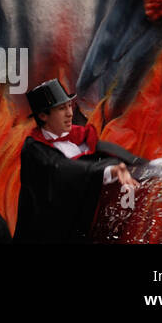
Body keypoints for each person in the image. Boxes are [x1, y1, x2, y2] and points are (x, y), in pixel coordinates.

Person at [12, 80, 139, 244]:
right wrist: (106, 171)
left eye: (69, 106)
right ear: (43, 116)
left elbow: (106, 151)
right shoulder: (34, 150)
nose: (70, 113)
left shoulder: (79, 138)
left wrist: (145, 164)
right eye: (61, 108)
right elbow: (60, 169)